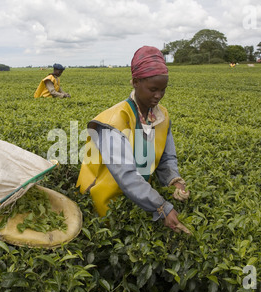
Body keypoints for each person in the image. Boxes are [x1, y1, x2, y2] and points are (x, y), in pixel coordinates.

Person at [76, 46, 190, 234]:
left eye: (163, 90)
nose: (158, 96)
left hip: (141, 199)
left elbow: (166, 158)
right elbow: (126, 175)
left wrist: (174, 181)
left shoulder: (161, 117)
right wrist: (161, 207)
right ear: (135, 82)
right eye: (153, 89)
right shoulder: (114, 120)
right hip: (104, 203)